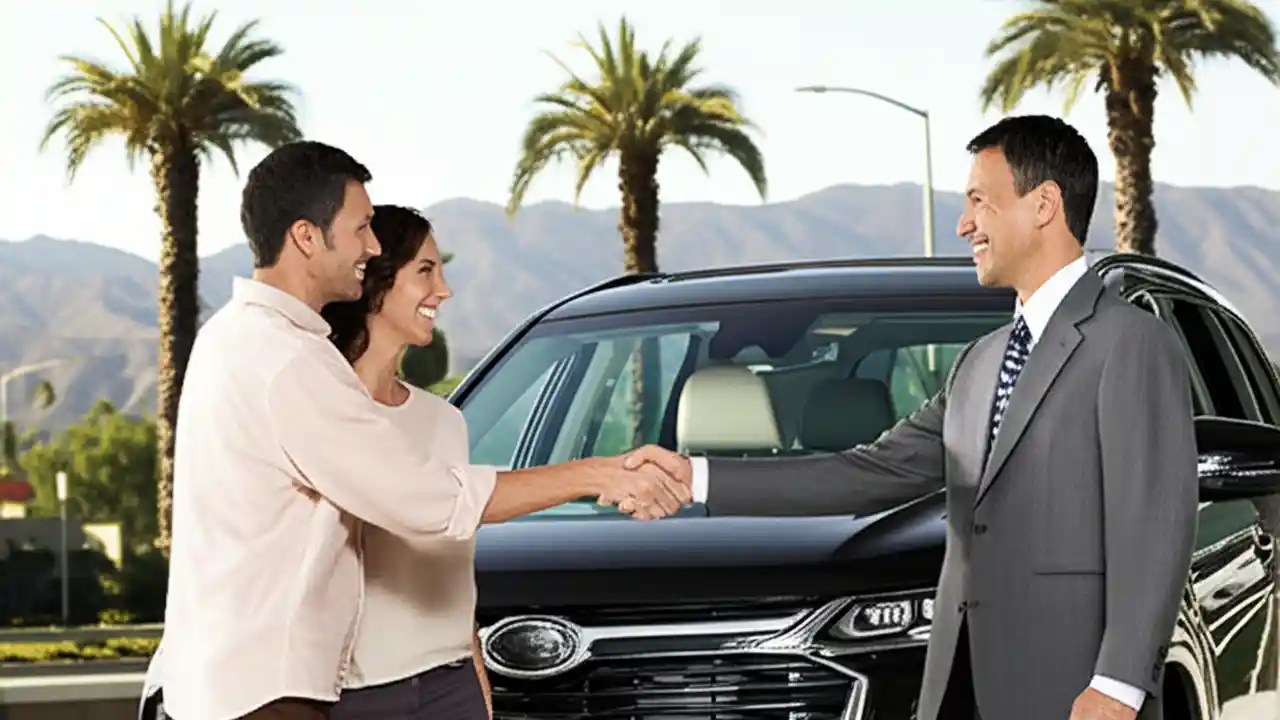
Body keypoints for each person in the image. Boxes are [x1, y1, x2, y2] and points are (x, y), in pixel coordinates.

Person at [625, 115, 1198, 720]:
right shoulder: (979, 365)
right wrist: (696, 478)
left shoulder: (1131, 343)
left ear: (1044, 205)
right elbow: (865, 474)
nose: (964, 223)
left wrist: (1119, 684)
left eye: (980, 200)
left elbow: (1154, 527)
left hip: (1075, 693)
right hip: (958, 687)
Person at [155, 141, 689, 720]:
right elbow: (427, 500)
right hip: (263, 693)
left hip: (228, 685)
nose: (372, 244)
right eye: (360, 228)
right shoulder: (290, 362)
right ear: (307, 236)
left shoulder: (231, 337)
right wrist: (595, 474)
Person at [317, 204, 492, 718]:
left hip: (452, 688)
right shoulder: (320, 412)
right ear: (376, 280)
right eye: (425, 271)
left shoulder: (445, 423)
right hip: (354, 697)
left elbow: (458, 587)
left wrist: (479, 696)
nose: (444, 290)